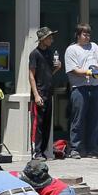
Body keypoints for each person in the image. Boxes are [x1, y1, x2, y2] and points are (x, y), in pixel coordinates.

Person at [64, 24, 98, 159]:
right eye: (84, 34)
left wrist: (95, 67)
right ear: (78, 35)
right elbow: (73, 70)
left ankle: (91, 149)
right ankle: (75, 149)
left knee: (93, 119)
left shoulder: (94, 46)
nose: (87, 37)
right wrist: (88, 72)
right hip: (79, 88)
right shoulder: (71, 50)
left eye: (89, 34)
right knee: (78, 119)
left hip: (95, 87)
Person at [28, 27, 61, 160]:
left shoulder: (49, 52)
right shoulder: (34, 54)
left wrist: (57, 68)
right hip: (40, 93)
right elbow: (31, 75)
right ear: (42, 39)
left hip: (49, 92)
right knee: (38, 125)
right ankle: (37, 152)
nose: (51, 40)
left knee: (47, 124)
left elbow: (47, 73)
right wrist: (36, 95)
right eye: (49, 37)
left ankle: (43, 151)